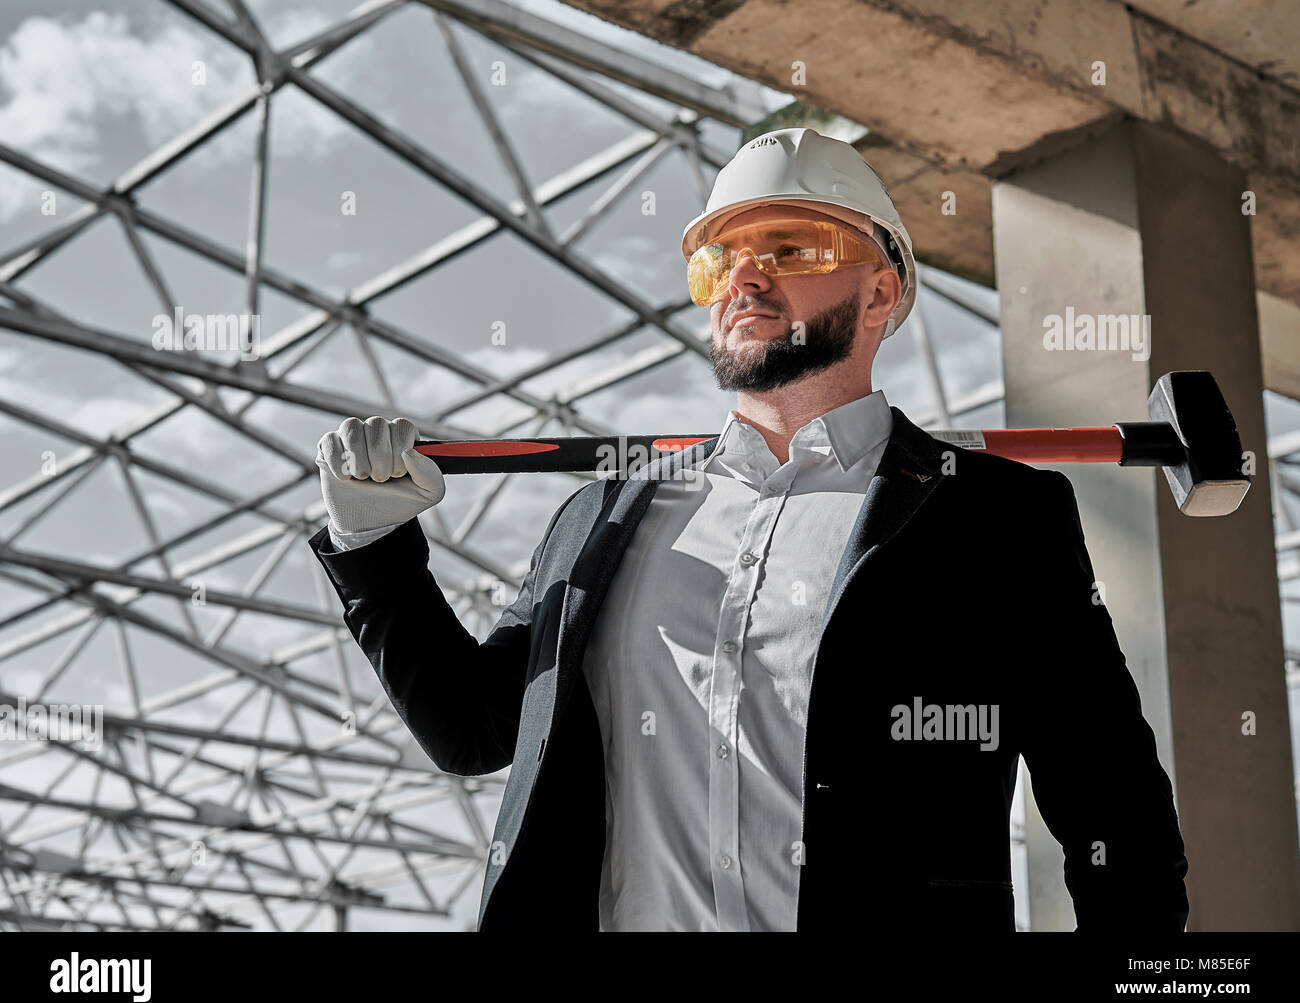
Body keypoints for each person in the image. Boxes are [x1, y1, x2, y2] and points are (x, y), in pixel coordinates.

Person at [309, 127, 1189, 932]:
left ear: (880, 291)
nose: (745, 277)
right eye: (721, 258)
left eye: (793, 247)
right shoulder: (598, 522)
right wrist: (376, 553)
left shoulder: (994, 521)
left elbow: (1116, 817)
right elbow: (473, 728)